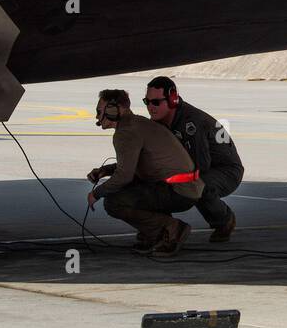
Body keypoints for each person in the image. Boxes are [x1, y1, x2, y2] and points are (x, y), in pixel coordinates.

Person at [87, 89, 204, 258]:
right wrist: (106, 170)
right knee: (132, 187)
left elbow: (124, 176)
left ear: (113, 109)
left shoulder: (125, 133)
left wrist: (96, 194)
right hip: (185, 187)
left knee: (114, 202)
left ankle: (171, 229)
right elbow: (138, 163)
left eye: (100, 111)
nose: (98, 116)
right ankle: (156, 232)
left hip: (178, 190)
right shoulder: (137, 123)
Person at [143, 77, 242, 243]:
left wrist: (170, 177)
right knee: (154, 183)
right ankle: (159, 227)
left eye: (156, 102)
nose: (150, 107)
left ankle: (224, 220)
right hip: (200, 167)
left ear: (173, 99)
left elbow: (200, 165)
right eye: (147, 102)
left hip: (225, 170)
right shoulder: (161, 121)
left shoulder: (191, 123)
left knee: (197, 186)